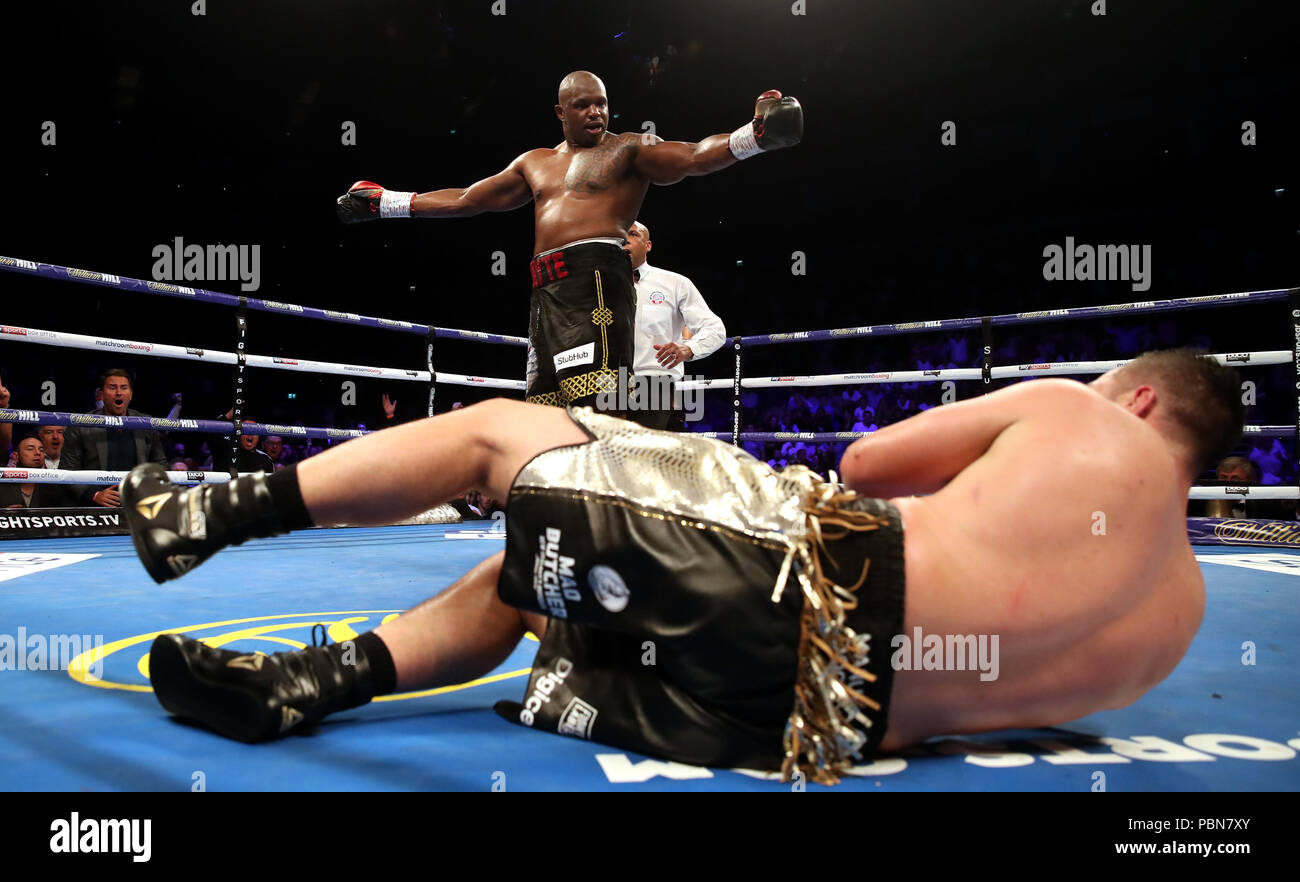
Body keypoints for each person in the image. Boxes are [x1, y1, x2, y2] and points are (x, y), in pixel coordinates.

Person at [121, 348, 1237, 784]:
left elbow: (868, 462)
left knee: (501, 438)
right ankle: (297, 689)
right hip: (798, 728)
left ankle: (193, 514)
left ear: (1137, 397)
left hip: (806, 580)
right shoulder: (1175, 626)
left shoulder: (1081, 416)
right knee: (536, 582)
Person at [337, 71, 801, 412]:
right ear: (561, 112)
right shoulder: (534, 163)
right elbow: (466, 199)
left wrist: (753, 137)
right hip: (545, 292)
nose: (595, 112)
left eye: (601, 103)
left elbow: (695, 156)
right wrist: (388, 203)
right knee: (547, 411)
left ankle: (606, 516)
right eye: (582, 105)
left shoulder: (629, 149)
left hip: (595, 280)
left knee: (598, 405)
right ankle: (559, 512)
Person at [622, 221, 726, 430]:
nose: (625, 241)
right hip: (604, 382)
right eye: (621, 237)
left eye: (633, 234)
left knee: (645, 454)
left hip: (653, 382)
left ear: (648, 245)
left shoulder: (675, 283)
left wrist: (688, 348)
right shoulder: (597, 286)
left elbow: (715, 329)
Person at [61, 369, 168, 506]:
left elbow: (160, 464)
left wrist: (147, 490)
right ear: (101, 394)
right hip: (95, 508)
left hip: (137, 505)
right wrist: (94, 495)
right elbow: (67, 470)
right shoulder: (81, 425)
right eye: (112, 387)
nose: (118, 392)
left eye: (124, 388)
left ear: (130, 394)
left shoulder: (145, 423)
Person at [0, 435, 68, 508]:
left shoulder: (53, 488)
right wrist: (4, 515)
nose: (38, 452)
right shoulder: (2, 486)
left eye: (41, 450)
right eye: (30, 449)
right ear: (16, 456)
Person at [209, 409, 276, 474]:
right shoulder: (224, 451)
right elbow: (213, 434)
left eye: (254, 431)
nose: (250, 435)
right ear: (238, 433)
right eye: (246, 431)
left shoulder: (266, 460)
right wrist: (228, 416)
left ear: (258, 436)